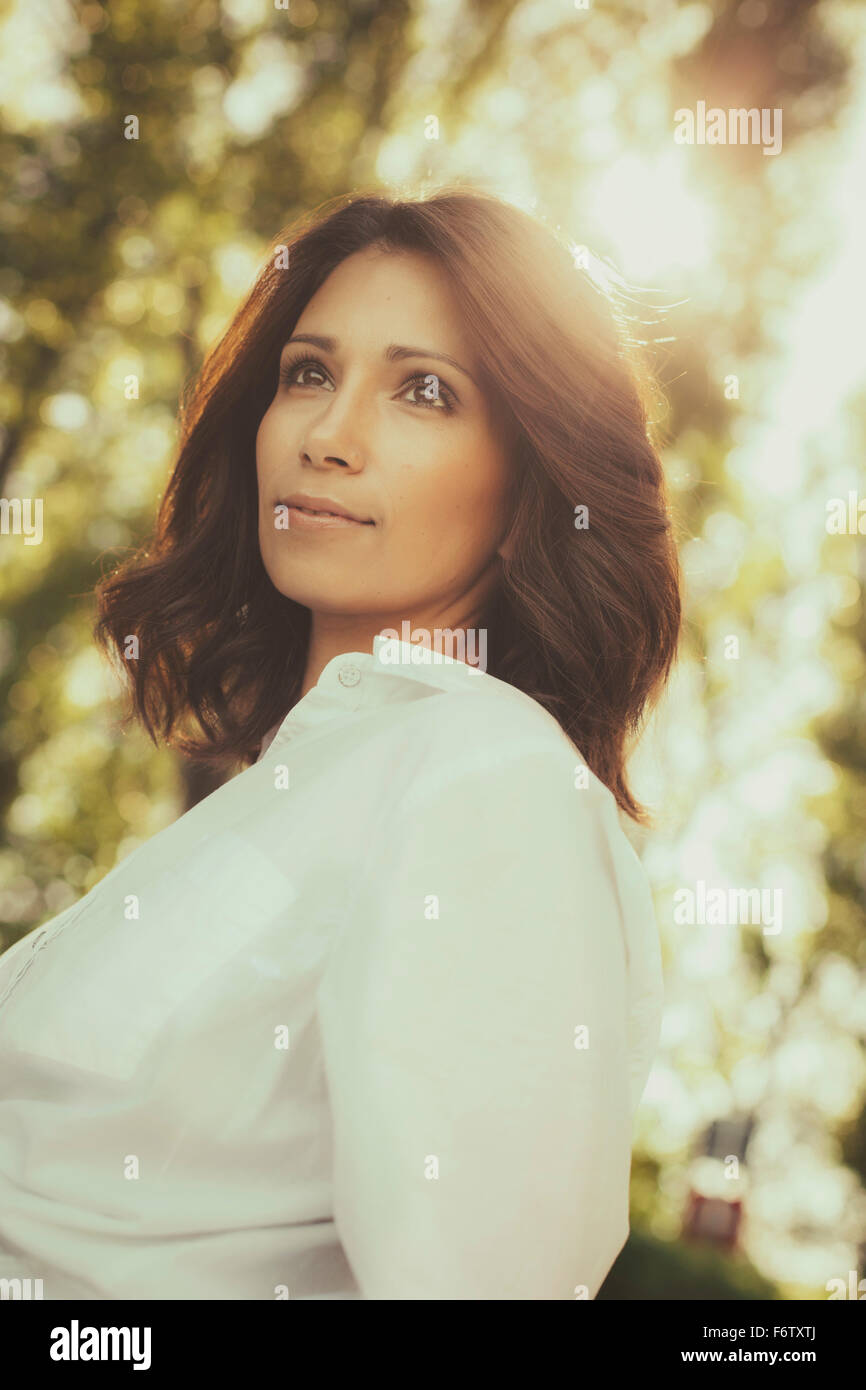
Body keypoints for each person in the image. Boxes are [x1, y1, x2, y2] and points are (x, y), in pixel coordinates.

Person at [0, 187, 681, 1300]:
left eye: (424, 391)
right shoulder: (297, 789)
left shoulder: (487, 773)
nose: (326, 436)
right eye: (308, 372)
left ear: (525, 497)